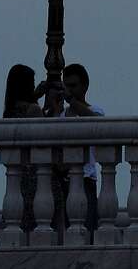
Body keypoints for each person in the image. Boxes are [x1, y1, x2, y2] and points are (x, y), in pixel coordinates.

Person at [52, 63, 104, 232]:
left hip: (86, 180)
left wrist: (72, 102)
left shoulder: (95, 110)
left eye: (73, 86)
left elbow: (97, 124)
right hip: (64, 181)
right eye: (66, 86)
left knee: (87, 231)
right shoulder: (61, 115)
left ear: (85, 86)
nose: (70, 90)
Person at [3, 64, 44, 234]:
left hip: (16, 178)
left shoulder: (9, 112)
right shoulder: (32, 109)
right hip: (36, 176)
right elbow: (46, 136)